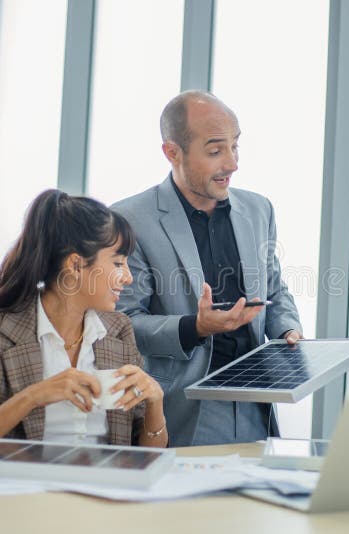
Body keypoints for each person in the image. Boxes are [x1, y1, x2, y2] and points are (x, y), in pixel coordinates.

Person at [112, 91, 303, 447]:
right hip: (182, 408)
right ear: (172, 152)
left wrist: (287, 330)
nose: (231, 163)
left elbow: (274, 289)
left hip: (254, 404)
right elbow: (121, 322)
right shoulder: (130, 219)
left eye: (235, 147)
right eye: (216, 151)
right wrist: (193, 327)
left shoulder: (259, 210)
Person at [0, 191, 167, 454]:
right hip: (26, 492)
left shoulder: (118, 331)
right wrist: (32, 397)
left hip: (105, 490)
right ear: (76, 265)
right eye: (118, 263)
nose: (128, 277)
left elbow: (145, 453)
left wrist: (155, 403)